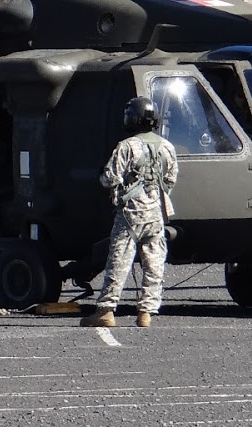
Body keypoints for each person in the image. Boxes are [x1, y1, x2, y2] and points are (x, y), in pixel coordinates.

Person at [80, 96, 179, 329]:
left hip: (130, 213)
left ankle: (106, 310)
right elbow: (171, 178)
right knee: (154, 263)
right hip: (157, 212)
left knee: (119, 261)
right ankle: (146, 312)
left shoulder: (127, 146)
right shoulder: (167, 147)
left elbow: (109, 178)